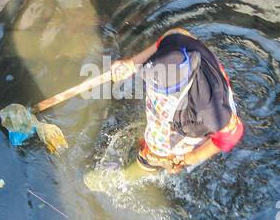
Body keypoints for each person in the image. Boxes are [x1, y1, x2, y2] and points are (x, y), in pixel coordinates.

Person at [84, 28, 244, 189]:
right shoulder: (178, 43)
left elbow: (232, 134)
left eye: (158, 90)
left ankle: (134, 172)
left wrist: (189, 157)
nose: (152, 91)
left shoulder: (210, 111)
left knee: (158, 153)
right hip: (200, 82)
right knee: (153, 123)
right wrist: (132, 64)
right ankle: (149, 143)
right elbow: (172, 34)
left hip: (192, 120)